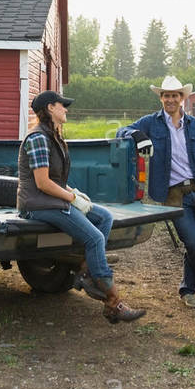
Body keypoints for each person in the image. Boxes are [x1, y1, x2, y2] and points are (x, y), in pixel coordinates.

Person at [18, 90, 146, 324]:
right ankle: (113, 302)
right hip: (36, 204)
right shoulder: (38, 138)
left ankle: (86, 272)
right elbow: (42, 183)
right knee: (95, 238)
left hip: (52, 199)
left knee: (104, 217)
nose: (66, 109)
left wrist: (74, 193)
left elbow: (55, 179)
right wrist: (70, 198)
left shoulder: (54, 136)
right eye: (62, 105)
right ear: (49, 108)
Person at [117, 75, 195, 308]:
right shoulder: (151, 122)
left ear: (182, 98)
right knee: (193, 242)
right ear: (161, 98)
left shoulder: (194, 125)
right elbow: (121, 131)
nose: (170, 99)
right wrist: (137, 135)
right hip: (173, 195)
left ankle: (188, 290)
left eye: (175, 95)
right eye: (166, 95)